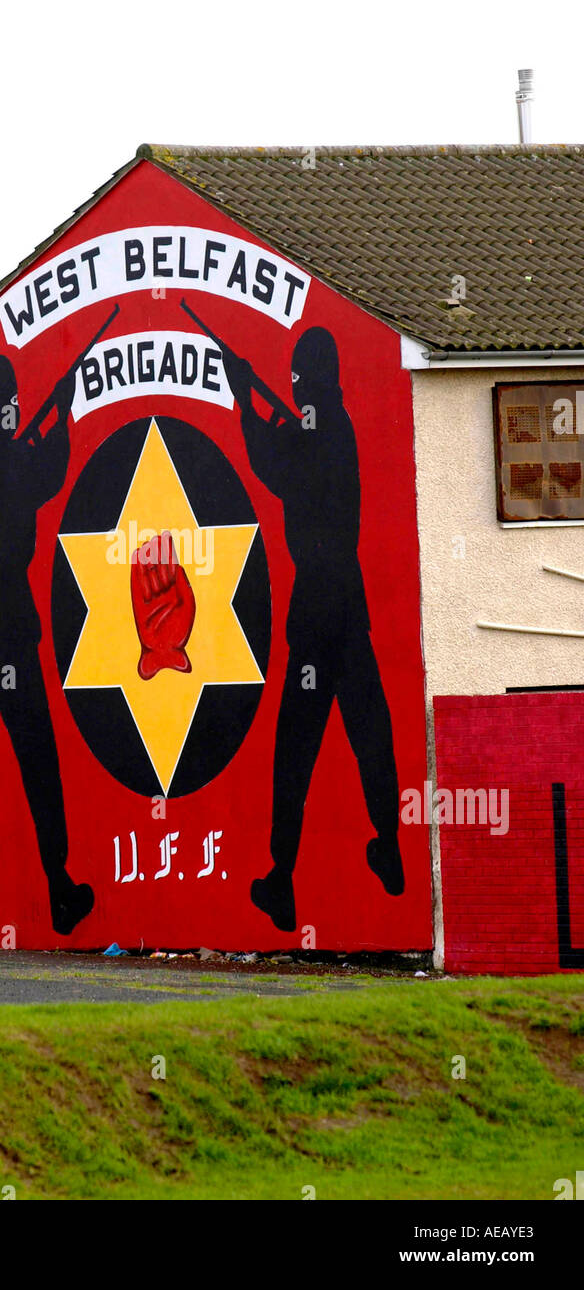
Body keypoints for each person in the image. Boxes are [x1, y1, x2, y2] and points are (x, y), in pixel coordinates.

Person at [223, 327, 404, 933]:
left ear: (309, 379)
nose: (295, 387)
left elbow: (271, 462)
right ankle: (389, 842)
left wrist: (242, 397)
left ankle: (280, 877)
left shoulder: (318, 429)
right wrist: (254, 397)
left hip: (317, 604)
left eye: (299, 378)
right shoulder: (338, 424)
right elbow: (287, 447)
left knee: (294, 749)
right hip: (350, 601)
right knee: (369, 727)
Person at [0, 352, 94, 935]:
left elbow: (29, 467)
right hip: (10, 622)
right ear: (2, 405)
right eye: (11, 402)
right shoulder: (6, 457)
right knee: (39, 761)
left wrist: (51, 412)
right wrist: (64, 410)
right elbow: (49, 472)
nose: (15, 409)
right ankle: (59, 888)